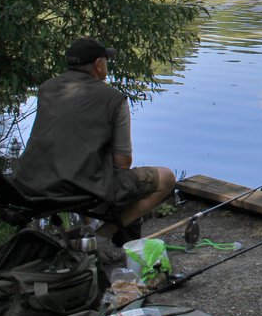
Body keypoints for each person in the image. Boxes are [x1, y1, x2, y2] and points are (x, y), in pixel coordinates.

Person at [13, 37, 175, 239]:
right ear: (98, 65)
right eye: (106, 60)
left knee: (85, 167)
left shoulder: (47, 88)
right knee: (166, 177)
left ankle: (87, 232)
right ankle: (102, 236)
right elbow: (123, 163)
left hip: (32, 183)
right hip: (79, 189)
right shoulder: (114, 99)